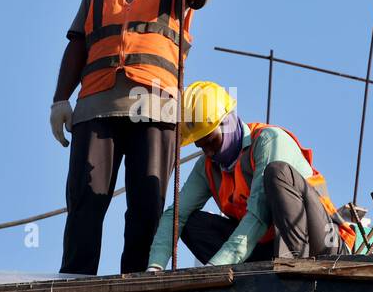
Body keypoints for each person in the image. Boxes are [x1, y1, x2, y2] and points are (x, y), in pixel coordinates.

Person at [50, 0, 211, 274]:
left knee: (146, 204)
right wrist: (60, 99)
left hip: (153, 103)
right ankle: (74, 285)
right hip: (96, 103)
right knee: (86, 201)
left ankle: (136, 287)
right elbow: (78, 43)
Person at [146, 82, 355, 269]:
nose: (208, 152)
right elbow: (176, 215)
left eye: (211, 141)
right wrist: (154, 268)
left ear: (227, 122)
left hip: (325, 244)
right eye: (201, 146)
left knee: (277, 173)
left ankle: (296, 266)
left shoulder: (269, 140)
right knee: (191, 223)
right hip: (268, 248)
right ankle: (245, 278)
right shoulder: (208, 165)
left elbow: (259, 211)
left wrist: (215, 266)